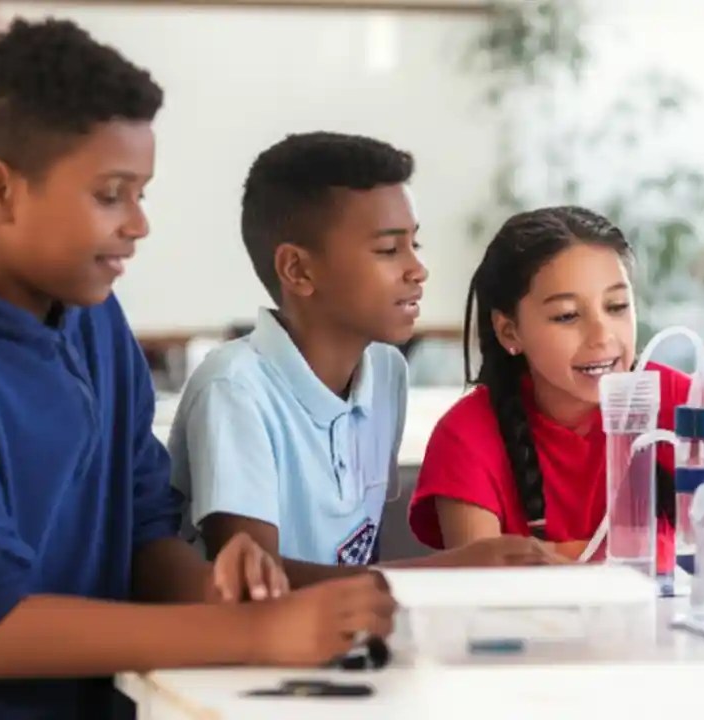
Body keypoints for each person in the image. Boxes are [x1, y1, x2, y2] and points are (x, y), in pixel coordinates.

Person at [0, 20, 393, 719]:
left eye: (143, 192)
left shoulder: (95, 319)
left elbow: (142, 533)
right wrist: (250, 631)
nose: (139, 223)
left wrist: (221, 592)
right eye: (111, 194)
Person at [169, 132, 565, 587]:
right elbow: (257, 583)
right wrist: (453, 569)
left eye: (416, 244)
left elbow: (357, 549)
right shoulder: (234, 390)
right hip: (247, 651)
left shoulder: (386, 371)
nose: (418, 269)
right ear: (298, 270)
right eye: (388, 250)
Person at [409, 206, 704, 566]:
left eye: (616, 306)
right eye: (567, 315)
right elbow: (482, 587)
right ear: (510, 331)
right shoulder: (466, 436)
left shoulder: (679, 401)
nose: (602, 336)